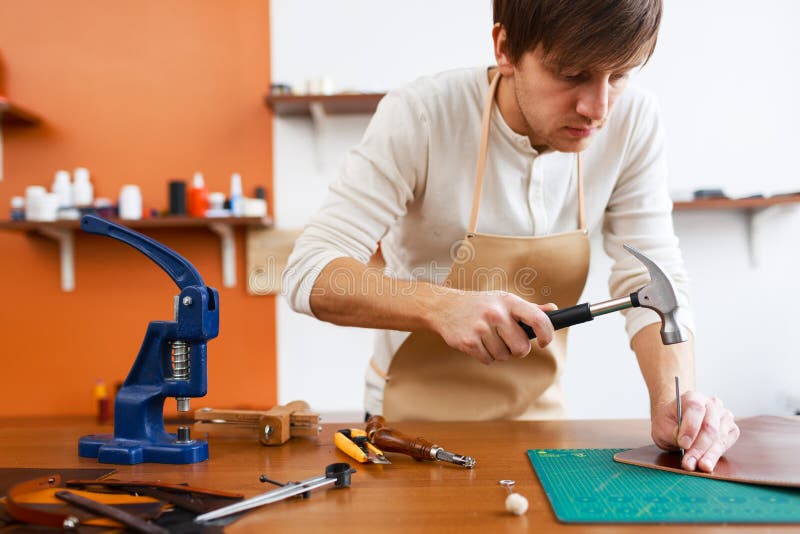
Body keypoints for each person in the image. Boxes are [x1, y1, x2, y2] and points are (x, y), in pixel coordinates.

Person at [283, 0, 739, 472]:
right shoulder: (422, 114)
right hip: (405, 433)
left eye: (619, 75)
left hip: (543, 425)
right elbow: (309, 272)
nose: (597, 109)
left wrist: (675, 403)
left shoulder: (634, 122)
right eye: (571, 73)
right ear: (505, 48)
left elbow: (653, 279)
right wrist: (443, 306)